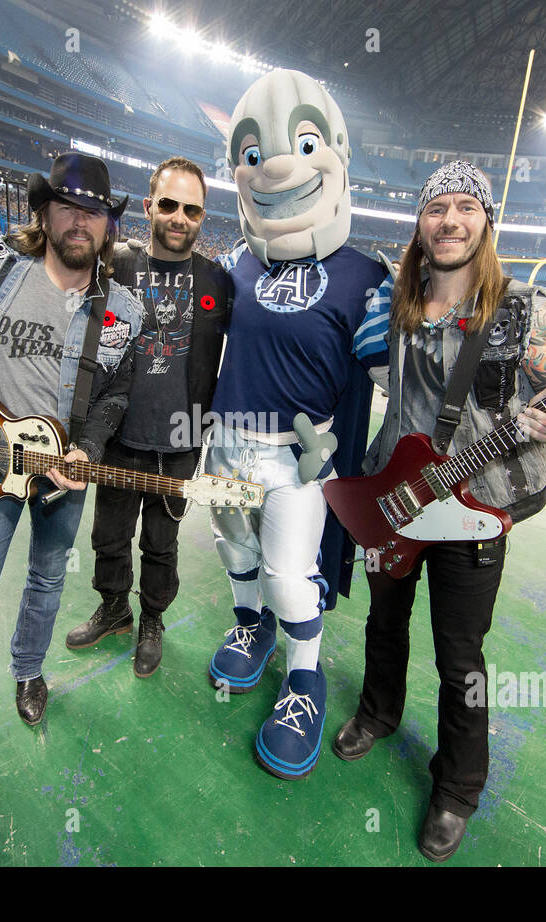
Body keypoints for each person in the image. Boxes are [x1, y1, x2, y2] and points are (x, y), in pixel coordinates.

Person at [332, 161, 546, 863]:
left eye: (465, 208)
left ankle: (457, 789)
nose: (449, 220)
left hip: (480, 504)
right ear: (420, 222)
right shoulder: (400, 302)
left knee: (460, 654)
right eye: (435, 208)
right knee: (383, 622)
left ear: (487, 221)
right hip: (398, 494)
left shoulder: (524, 307)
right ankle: (379, 713)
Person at [0, 152, 143, 821]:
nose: (79, 221)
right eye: (67, 206)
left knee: (46, 582)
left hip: (60, 473)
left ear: (106, 225)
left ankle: (28, 670)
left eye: (92, 211)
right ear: (44, 213)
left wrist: (90, 447)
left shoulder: (122, 308)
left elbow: (116, 395)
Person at [205, 69, 389, 780]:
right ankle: (251, 633)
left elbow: (393, 378)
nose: (274, 168)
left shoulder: (366, 276)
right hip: (225, 438)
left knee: (290, 576)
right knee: (233, 550)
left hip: (298, 457)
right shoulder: (236, 265)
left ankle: (305, 679)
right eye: (252, 158)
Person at [65, 157, 232, 676]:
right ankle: (115, 607)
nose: (179, 217)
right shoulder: (114, 263)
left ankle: (152, 619)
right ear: (148, 207)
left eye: (192, 209)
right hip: (116, 430)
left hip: (181, 440)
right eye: (169, 205)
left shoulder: (217, 281)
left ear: (203, 217)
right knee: (109, 535)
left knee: (162, 542)